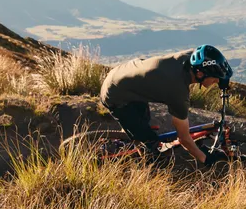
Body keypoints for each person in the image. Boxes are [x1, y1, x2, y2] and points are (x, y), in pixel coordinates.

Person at [99, 44, 233, 166]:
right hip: (116, 94)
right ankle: (131, 158)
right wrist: (205, 159)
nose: (217, 81)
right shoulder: (177, 91)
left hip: (125, 75)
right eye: (215, 78)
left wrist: (223, 79)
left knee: (142, 125)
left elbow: (212, 62)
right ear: (200, 74)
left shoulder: (192, 58)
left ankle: (133, 138)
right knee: (153, 153)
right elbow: (184, 138)